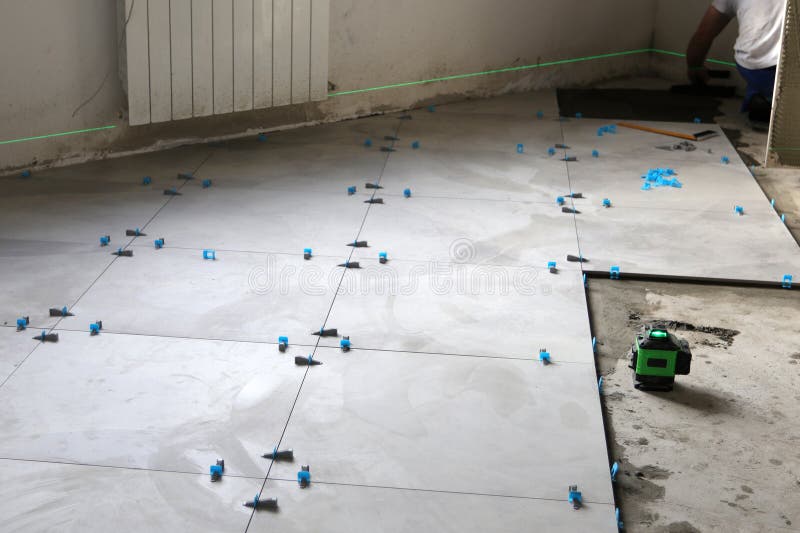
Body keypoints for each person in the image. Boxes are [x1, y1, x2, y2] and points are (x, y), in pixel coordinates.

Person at [687, 0, 787, 122]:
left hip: (750, 67)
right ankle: (766, 99)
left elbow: (704, 34)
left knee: (764, 84)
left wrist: (694, 66)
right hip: (785, 69)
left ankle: (761, 97)